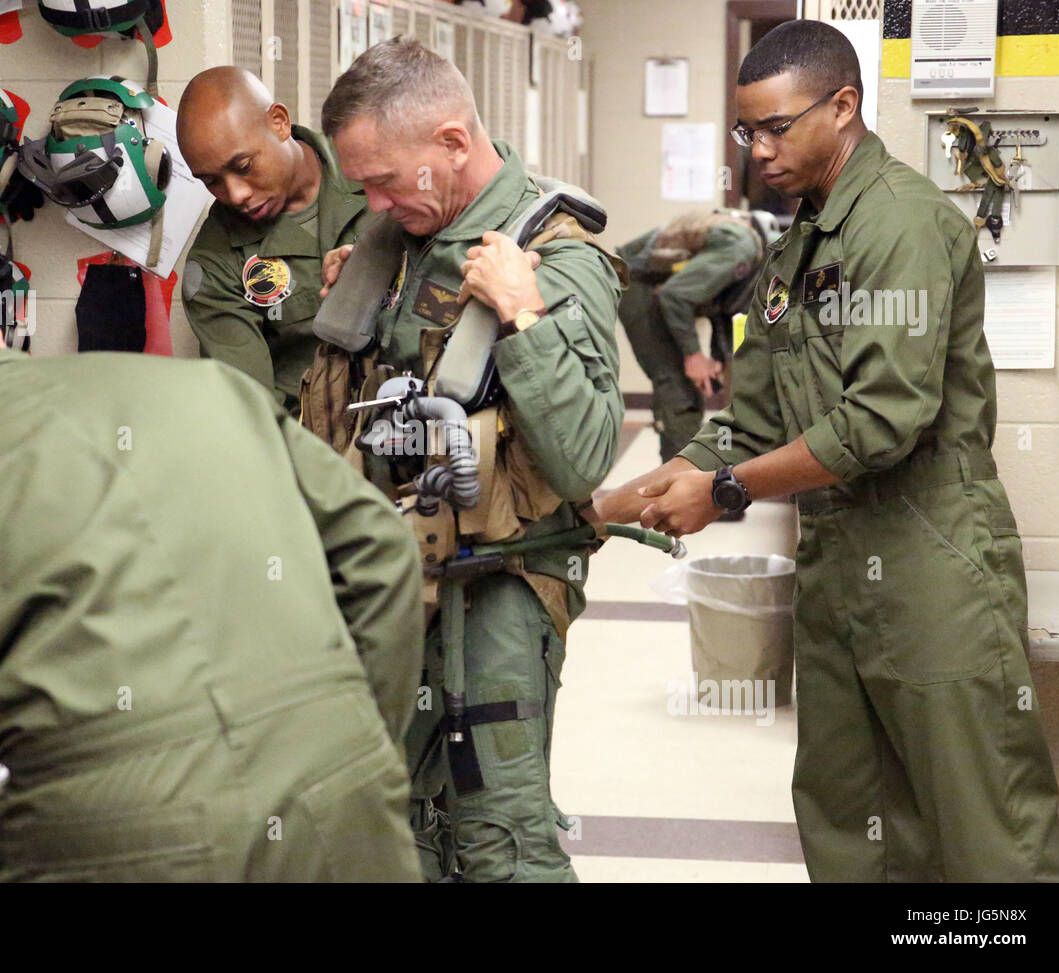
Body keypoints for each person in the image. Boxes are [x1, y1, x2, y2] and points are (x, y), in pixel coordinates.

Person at [598, 20, 1059, 882]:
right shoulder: (796, 247)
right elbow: (753, 416)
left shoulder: (901, 223)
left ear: (844, 106)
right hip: (837, 561)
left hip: (929, 553)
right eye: (748, 131)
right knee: (851, 819)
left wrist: (727, 490)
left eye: (777, 127)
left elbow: (880, 421)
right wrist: (640, 489)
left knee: (984, 825)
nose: (758, 152)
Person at [0, 282, 424, 882]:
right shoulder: (213, 389)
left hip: (113, 837)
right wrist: (361, 737)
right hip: (340, 793)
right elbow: (381, 547)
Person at [313, 38, 625, 882]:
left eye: (385, 181)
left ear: (453, 142)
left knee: (500, 840)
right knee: (398, 829)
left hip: (500, 586)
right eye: (363, 186)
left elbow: (586, 456)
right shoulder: (397, 243)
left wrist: (525, 318)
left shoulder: (556, 257)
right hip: (394, 579)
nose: (374, 202)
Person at [176, 66, 371, 415]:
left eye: (244, 166)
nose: (236, 194)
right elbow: (256, 414)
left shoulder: (372, 167)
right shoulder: (215, 261)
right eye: (211, 181)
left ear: (279, 122)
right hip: (311, 436)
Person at [615, 207, 778, 463]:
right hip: (638, 282)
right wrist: (693, 355)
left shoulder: (752, 258)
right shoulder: (741, 250)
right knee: (677, 386)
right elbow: (675, 296)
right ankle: (679, 477)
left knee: (689, 387)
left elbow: (722, 309)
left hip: (660, 287)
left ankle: (689, 470)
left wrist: (718, 360)